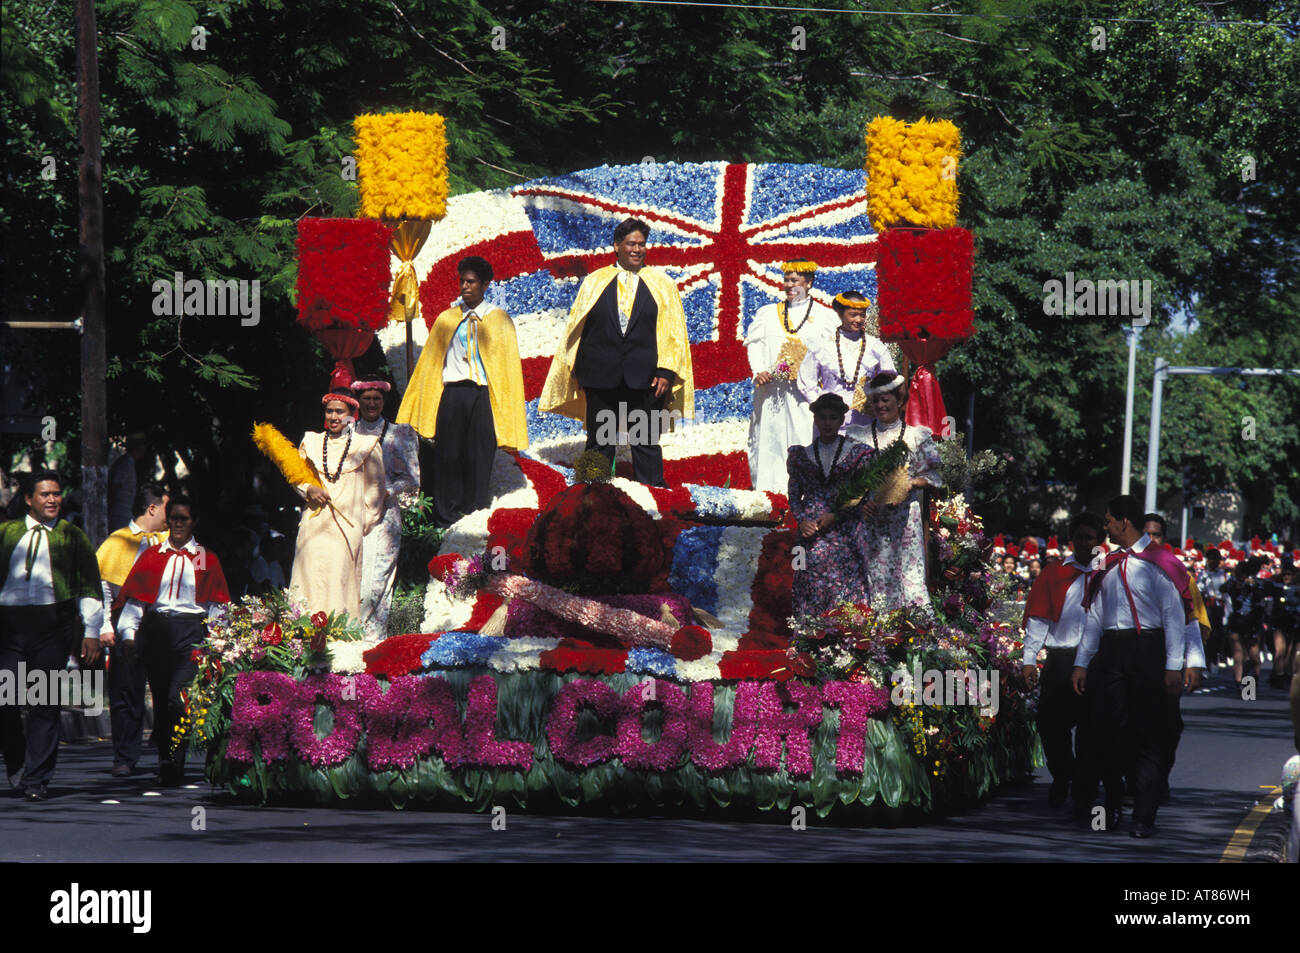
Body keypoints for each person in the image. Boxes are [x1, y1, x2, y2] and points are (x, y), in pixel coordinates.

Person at [1071, 494, 1192, 837]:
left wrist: (1173, 666)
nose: (1104, 525)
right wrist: (1082, 662)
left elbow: (1173, 616)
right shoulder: (1105, 563)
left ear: (1124, 521)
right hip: (1110, 651)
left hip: (1148, 650)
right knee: (1105, 730)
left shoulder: (1161, 563)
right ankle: (1110, 804)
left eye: (1109, 520)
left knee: (1148, 735)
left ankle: (1143, 816)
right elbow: (1093, 616)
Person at [540, 218, 694, 487]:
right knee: (599, 442)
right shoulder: (595, 281)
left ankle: (655, 507)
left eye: (642, 244)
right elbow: (578, 327)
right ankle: (589, 501)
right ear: (616, 246)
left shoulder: (663, 284)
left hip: (646, 379)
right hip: (600, 376)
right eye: (631, 244)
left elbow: (674, 332)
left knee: (645, 442)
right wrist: (576, 368)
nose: (637, 249)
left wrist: (667, 371)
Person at [397, 256, 528, 526]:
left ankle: (474, 516)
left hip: (483, 396)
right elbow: (430, 365)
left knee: (479, 456)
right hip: (454, 395)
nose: (465, 287)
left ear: (485, 285)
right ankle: (445, 519)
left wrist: (504, 407)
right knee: (449, 455)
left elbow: (508, 370)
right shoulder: (447, 320)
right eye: (462, 282)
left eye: (471, 282)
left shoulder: (499, 320)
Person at [0, 470, 103, 801]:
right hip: (10, 624)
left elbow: (89, 585)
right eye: (44, 494)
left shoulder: (73, 536)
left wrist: (92, 631)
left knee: (43, 700)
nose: (52, 500)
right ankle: (16, 758)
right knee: (7, 699)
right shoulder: (6, 532)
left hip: (52, 623)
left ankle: (36, 779)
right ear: (29, 499)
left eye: (56, 494)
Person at [116, 496, 229, 785]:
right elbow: (137, 599)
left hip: (190, 632)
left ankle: (174, 760)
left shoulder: (206, 557)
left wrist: (217, 641)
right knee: (162, 699)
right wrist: (128, 634)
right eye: (175, 518)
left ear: (194, 523)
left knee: (178, 698)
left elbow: (216, 604)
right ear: (168, 521)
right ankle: (166, 759)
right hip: (157, 632)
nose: (179, 524)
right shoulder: (153, 555)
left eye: (185, 519)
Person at [1022, 512, 1101, 812]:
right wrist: (1029, 660)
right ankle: (1064, 774)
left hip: (1096, 661)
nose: (1084, 542)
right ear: (1072, 539)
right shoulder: (1054, 573)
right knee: (1050, 724)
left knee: (1092, 728)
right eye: (1079, 536)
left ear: (1099, 541)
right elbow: (1039, 619)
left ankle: (1085, 786)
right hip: (1061, 660)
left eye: (1090, 537)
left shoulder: (1109, 573)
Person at [743, 259, 838, 493]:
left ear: (809, 283)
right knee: (770, 440)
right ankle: (769, 494)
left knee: (802, 435)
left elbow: (833, 354)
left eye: (794, 280)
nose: (788, 285)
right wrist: (758, 370)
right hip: (771, 392)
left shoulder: (825, 317)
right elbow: (754, 345)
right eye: (786, 279)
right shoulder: (767, 314)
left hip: (804, 394)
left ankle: (806, 494)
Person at [95, 482, 169, 777]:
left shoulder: (171, 541)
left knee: (168, 693)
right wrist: (103, 625)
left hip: (164, 625)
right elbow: (101, 587)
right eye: (166, 507)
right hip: (126, 625)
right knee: (126, 691)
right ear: (152, 509)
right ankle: (125, 756)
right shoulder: (116, 541)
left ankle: (168, 755)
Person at [854, 371, 942, 613]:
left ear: (899, 401)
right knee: (873, 571)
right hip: (871, 517)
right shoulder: (857, 436)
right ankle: (874, 629)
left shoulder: (917, 435)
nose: (881, 405)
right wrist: (861, 502)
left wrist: (911, 484)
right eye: (877, 401)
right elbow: (848, 481)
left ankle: (912, 629)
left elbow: (935, 476)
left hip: (904, 517)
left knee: (908, 571)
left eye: (886, 400)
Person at [290, 393, 383, 620]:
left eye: (339, 412)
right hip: (314, 522)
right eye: (329, 411)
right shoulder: (311, 441)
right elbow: (296, 477)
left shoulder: (366, 444)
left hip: (347, 525)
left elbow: (376, 490)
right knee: (308, 575)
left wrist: (362, 523)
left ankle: (337, 638)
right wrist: (308, 489)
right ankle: (301, 635)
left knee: (339, 579)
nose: (333, 416)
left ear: (352, 415)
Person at [787, 393, 873, 621]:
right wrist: (801, 520)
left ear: (841, 420)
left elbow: (862, 494)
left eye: (833, 418)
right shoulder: (800, 456)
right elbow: (794, 495)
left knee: (847, 581)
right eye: (822, 417)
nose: (827, 423)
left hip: (845, 527)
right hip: (811, 529)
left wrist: (837, 514)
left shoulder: (857, 454)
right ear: (814, 419)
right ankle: (809, 636)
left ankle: (847, 637)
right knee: (808, 578)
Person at [352, 378, 421, 640]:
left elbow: (412, 479)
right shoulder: (348, 432)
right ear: (359, 401)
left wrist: (383, 491)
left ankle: (373, 639)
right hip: (352, 514)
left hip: (385, 515)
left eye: (376, 399)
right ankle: (348, 636)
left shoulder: (398, 434)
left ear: (384, 402)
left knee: (378, 576)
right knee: (354, 574)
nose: (371, 403)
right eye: (367, 398)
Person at [796, 291, 895, 440]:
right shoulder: (822, 344)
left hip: (864, 419)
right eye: (853, 314)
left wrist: (876, 402)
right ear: (840, 314)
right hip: (829, 421)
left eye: (862, 315)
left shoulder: (875, 345)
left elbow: (889, 380)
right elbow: (806, 381)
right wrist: (822, 406)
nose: (859, 319)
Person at [107, 433, 151, 532]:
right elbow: (113, 488)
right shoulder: (125, 464)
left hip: (124, 512)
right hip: (119, 514)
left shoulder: (129, 463)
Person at [1198, 548, 1230, 667]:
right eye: (1210, 559)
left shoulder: (1223, 574)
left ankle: (1217, 656)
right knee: (1207, 632)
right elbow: (1199, 589)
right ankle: (1207, 659)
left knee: (1219, 632)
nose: (1212, 562)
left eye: (1215, 559)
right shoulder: (1203, 574)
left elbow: (1226, 593)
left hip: (1220, 606)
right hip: (1208, 606)